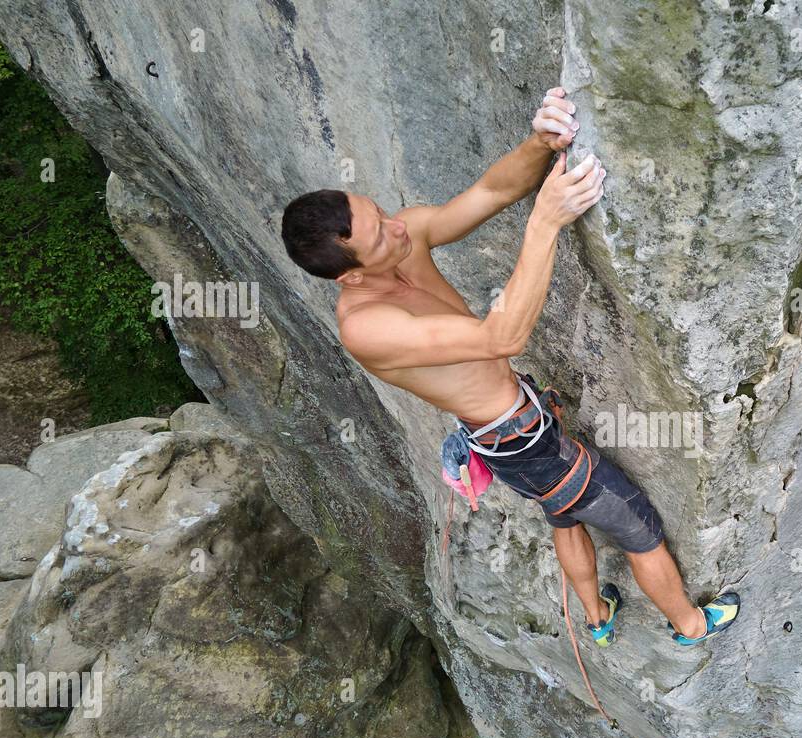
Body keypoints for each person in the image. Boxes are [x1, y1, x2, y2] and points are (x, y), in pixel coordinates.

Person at [280, 87, 739, 647]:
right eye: (378, 234)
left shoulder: (403, 237)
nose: (397, 226)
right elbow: (502, 336)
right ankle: (690, 626)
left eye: (378, 210)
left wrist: (540, 143)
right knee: (634, 524)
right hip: (524, 444)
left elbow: (494, 190)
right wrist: (544, 223)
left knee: (563, 515)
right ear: (349, 276)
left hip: (511, 438)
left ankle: (596, 618)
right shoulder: (367, 325)